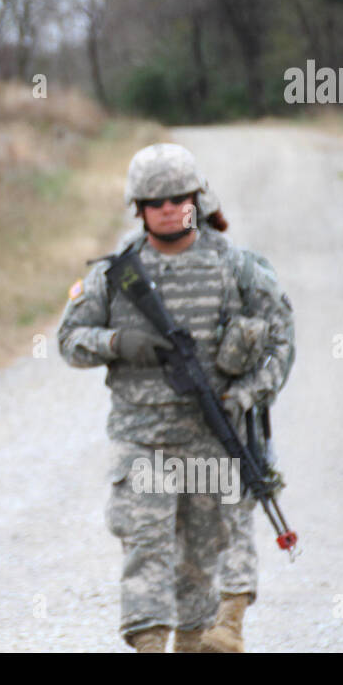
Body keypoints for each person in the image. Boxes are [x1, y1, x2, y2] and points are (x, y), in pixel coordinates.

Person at [57, 143, 294, 652]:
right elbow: (69, 340)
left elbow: (281, 341)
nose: (167, 209)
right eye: (154, 201)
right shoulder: (115, 274)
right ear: (138, 209)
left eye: (177, 199)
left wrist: (248, 394)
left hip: (213, 438)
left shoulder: (238, 267)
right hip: (141, 440)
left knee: (200, 561)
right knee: (146, 548)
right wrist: (119, 344)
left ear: (197, 200)